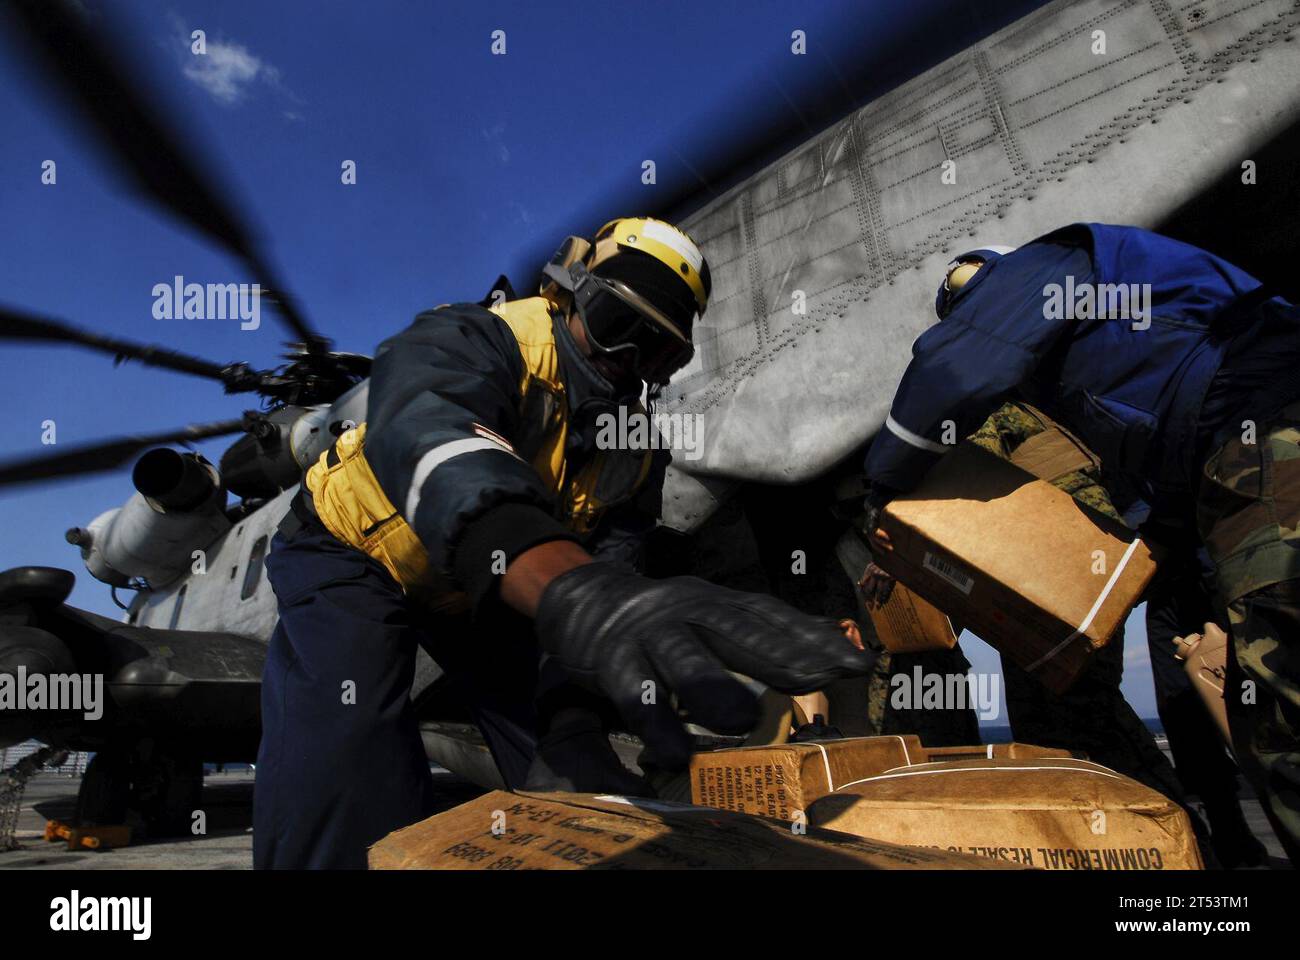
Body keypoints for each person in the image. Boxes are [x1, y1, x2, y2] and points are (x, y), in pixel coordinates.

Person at [254, 216, 872, 869]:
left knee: (571, 770)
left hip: (481, 587)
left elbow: (610, 569)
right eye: (614, 323)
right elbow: (432, 432)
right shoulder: (477, 339)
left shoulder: (632, 453)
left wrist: (574, 708)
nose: (625, 362)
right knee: (348, 757)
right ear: (567, 295)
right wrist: (570, 591)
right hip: (355, 549)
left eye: (657, 352)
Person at [858, 223, 1300, 864]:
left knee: (1276, 698)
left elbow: (953, 367)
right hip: (1220, 474)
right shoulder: (1112, 385)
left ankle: (1182, 854)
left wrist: (883, 492)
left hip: (1260, 440)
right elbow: (1155, 504)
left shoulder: (1046, 267)